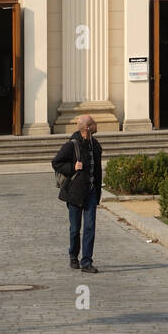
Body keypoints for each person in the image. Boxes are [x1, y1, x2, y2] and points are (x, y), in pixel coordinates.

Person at [52, 114, 103, 273]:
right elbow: (56, 163)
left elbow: (98, 171)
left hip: (91, 193)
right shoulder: (71, 145)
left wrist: (97, 192)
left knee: (90, 228)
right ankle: (73, 255)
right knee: (75, 228)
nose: (96, 124)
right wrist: (73, 167)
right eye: (93, 123)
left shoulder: (96, 145)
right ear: (87, 127)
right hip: (74, 193)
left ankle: (86, 262)